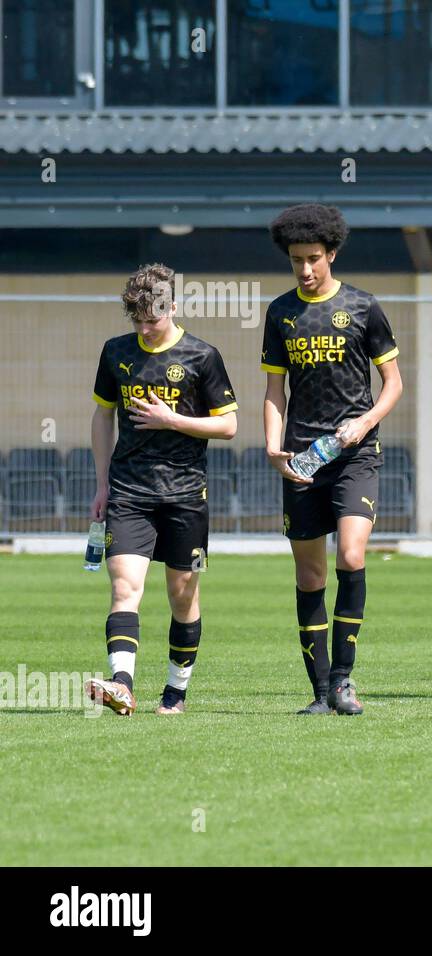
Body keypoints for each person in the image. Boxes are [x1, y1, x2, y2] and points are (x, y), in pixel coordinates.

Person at [262, 203, 403, 715]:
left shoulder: (364, 307)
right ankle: (320, 692)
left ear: (332, 254)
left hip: (355, 454)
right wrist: (274, 445)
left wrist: (364, 423)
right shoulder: (280, 312)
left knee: (352, 554)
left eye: (314, 258)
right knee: (309, 577)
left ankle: (344, 679)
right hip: (302, 457)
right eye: (297, 259)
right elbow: (274, 391)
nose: (305, 268)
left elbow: (394, 384)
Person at [85, 263, 238, 716]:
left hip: (186, 494)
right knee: (124, 587)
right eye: (138, 321)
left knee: (183, 594)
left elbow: (228, 425)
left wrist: (172, 420)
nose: (147, 329)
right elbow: (101, 416)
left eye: (154, 319)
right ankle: (122, 685)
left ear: (172, 307)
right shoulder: (115, 352)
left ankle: (175, 693)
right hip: (129, 490)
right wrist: (101, 483)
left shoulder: (202, 356)